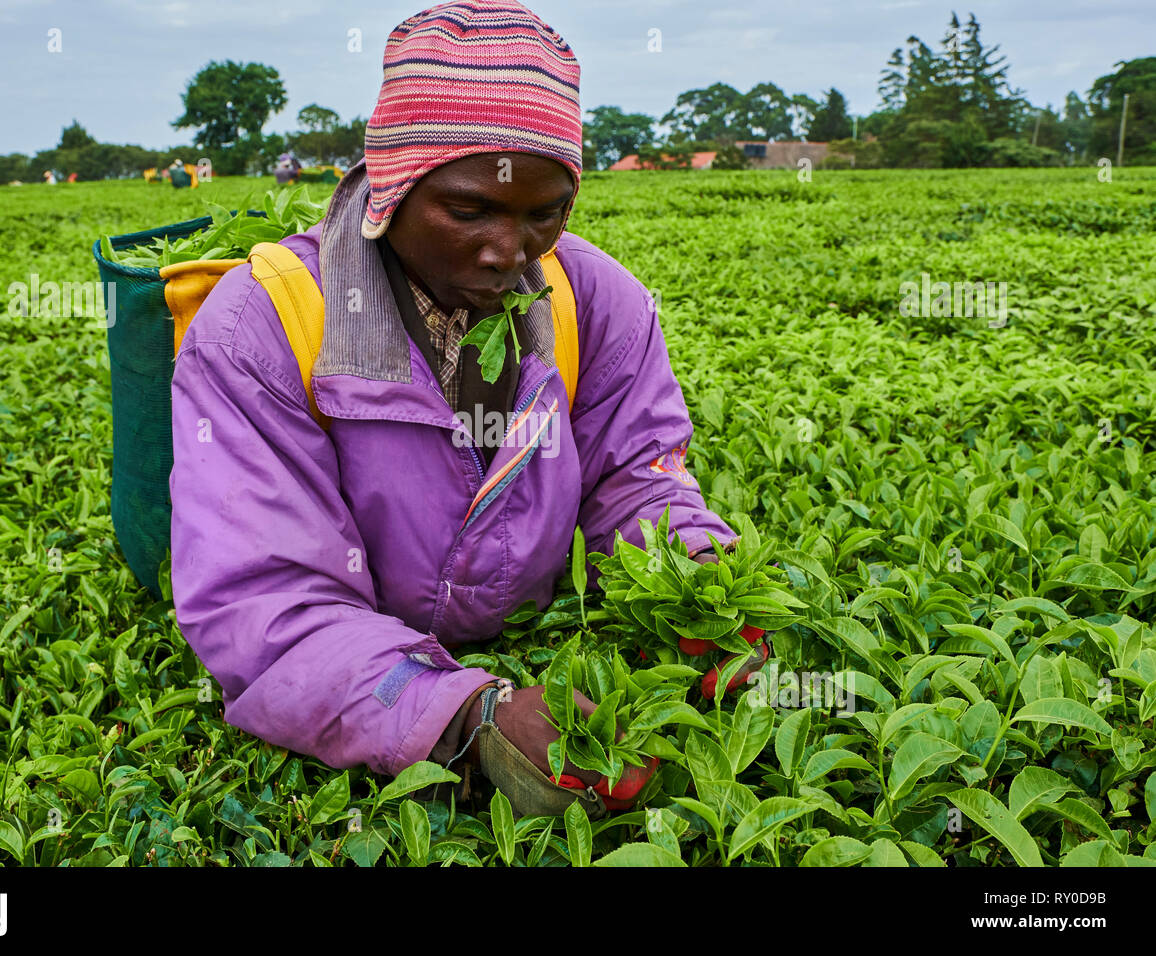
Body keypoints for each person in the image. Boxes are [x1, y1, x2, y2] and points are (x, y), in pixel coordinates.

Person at [169, 0, 768, 814]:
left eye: (542, 213)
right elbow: (266, 600)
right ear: (392, 186)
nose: (507, 251)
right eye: (469, 208)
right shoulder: (259, 327)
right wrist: (465, 716)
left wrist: (698, 582)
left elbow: (638, 478)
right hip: (374, 657)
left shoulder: (595, 299)